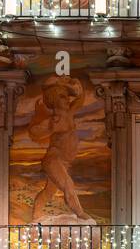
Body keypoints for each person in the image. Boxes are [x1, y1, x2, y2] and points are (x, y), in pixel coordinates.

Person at [29, 75, 94, 223]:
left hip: (64, 162)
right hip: (54, 160)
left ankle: (36, 215)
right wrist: (49, 128)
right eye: (64, 97)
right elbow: (34, 132)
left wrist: (75, 83)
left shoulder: (69, 113)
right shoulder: (54, 120)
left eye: (67, 97)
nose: (68, 100)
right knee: (67, 184)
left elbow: (80, 99)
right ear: (54, 99)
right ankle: (80, 213)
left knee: (49, 193)